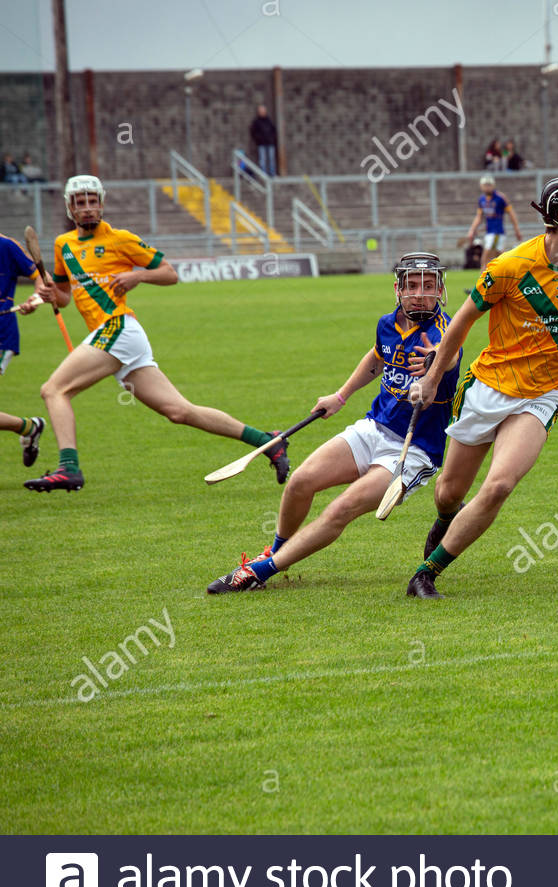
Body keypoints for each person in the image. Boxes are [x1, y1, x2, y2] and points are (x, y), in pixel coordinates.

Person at [404, 176, 558, 599]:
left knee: (499, 485)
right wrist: (430, 379)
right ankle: (447, 519)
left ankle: (426, 574)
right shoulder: (509, 266)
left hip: (542, 395)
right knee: (448, 494)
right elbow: (461, 323)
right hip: (487, 388)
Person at [206, 253, 461, 594]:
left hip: (412, 449)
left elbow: (449, 353)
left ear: (440, 290)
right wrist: (340, 397)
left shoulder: (445, 332)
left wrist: (434, 363)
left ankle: (257, 572)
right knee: (301, 481)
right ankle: (278, 551)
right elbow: (377, 357)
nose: (420, 294)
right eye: (412, 285)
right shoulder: (388, 323)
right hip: (374, 427)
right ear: (398, 289)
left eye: (428, 286)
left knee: (341, 508)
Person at [23, 175, 290, 492]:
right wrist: (46, 297)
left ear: (102, 203)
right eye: (80, 203)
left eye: (93, 201)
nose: (88, 208)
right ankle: (268, 441)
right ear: (70, 207)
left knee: (54, 390)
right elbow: (65, 295)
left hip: (118, 329)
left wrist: (138, 277)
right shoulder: (62, 245)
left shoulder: (120, 239)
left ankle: (69, 468)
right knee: (179, 412)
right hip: (113, 339)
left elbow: (169, 273)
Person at [0, 231, 46, 467]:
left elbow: (40, 277)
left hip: (1, 335)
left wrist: (36, 298)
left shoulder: (6, 246)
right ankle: (29, 427)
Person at [466, 175, 523, 274]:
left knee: (485, 258)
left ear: (493, 185)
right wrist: (472, 230)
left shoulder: (500, 198)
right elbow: (479, 217)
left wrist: (516, 229)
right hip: (489, 233)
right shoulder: (482, 199)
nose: (487, 187)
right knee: (500, 258)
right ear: (481, 186)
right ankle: (514, 274)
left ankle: (480, 286)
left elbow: (511, 213)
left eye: (489, 185)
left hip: (497, 233)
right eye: (485, 185)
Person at [249, 105, 277, 177]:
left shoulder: (269, 120)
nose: (263, 112)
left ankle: (272, 174)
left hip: (270, 143)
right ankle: (263, 175)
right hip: (261, 144)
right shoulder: (256, 122)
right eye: (261, 111)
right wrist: (258, 139)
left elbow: (274, 130)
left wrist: (272, 138)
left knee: (271, 159)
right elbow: (253, 132)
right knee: (263, 160)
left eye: (263, 111)